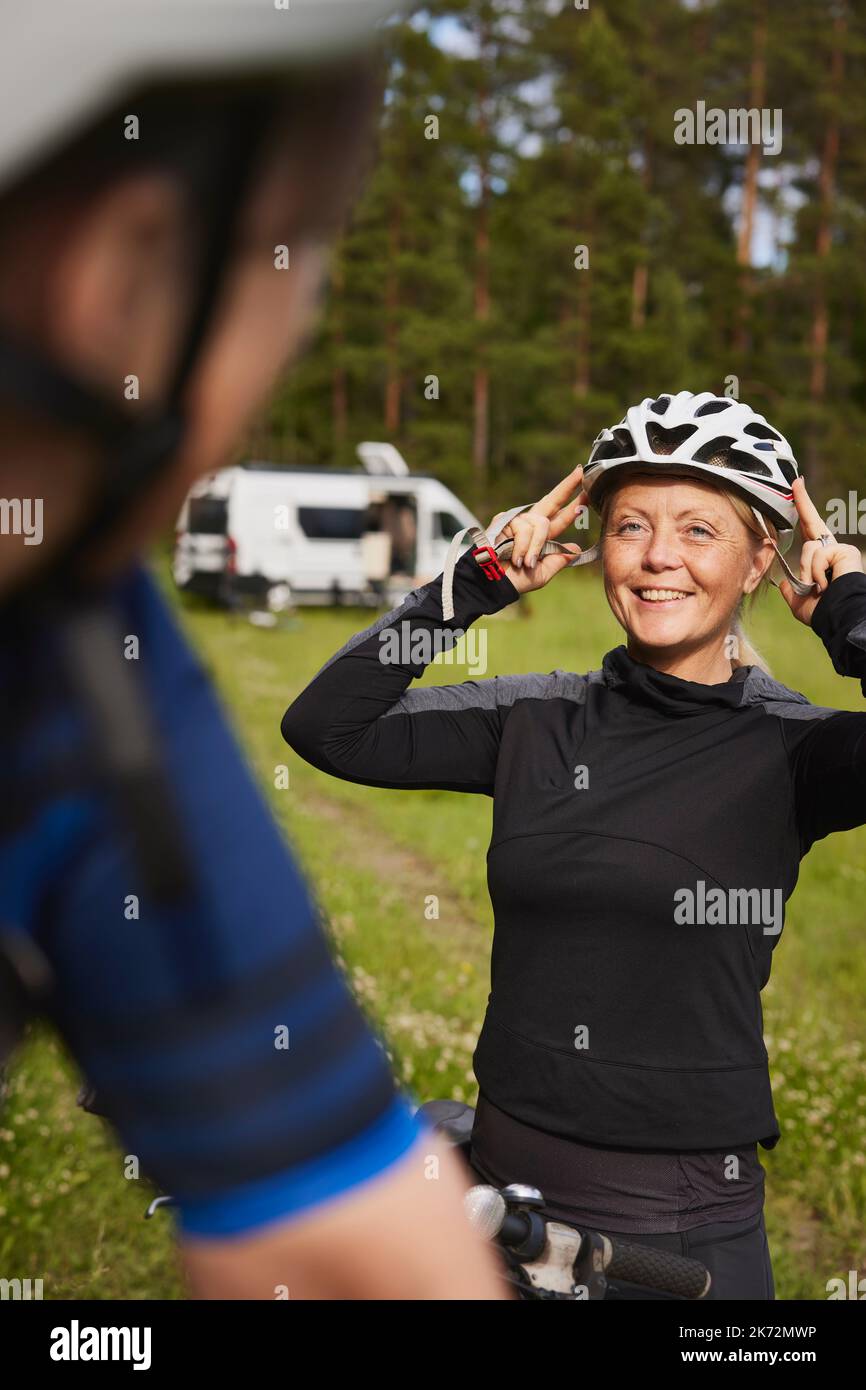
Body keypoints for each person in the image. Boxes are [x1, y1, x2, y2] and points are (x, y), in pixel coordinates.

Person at [0, 1, 506, 1300]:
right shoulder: (70, 690)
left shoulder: (84, 666)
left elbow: (337, 1231)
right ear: (122, 276)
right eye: (309, 268)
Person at [281, 390, 866, 1300]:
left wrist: (853, 616)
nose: (658, 556)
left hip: (673, 1233)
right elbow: (329, 729)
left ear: (762, 563)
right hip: (500, 1200)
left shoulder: (792, 750)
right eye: (631, 524)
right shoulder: (533, 717)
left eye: (700, 531)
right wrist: (468, 587)